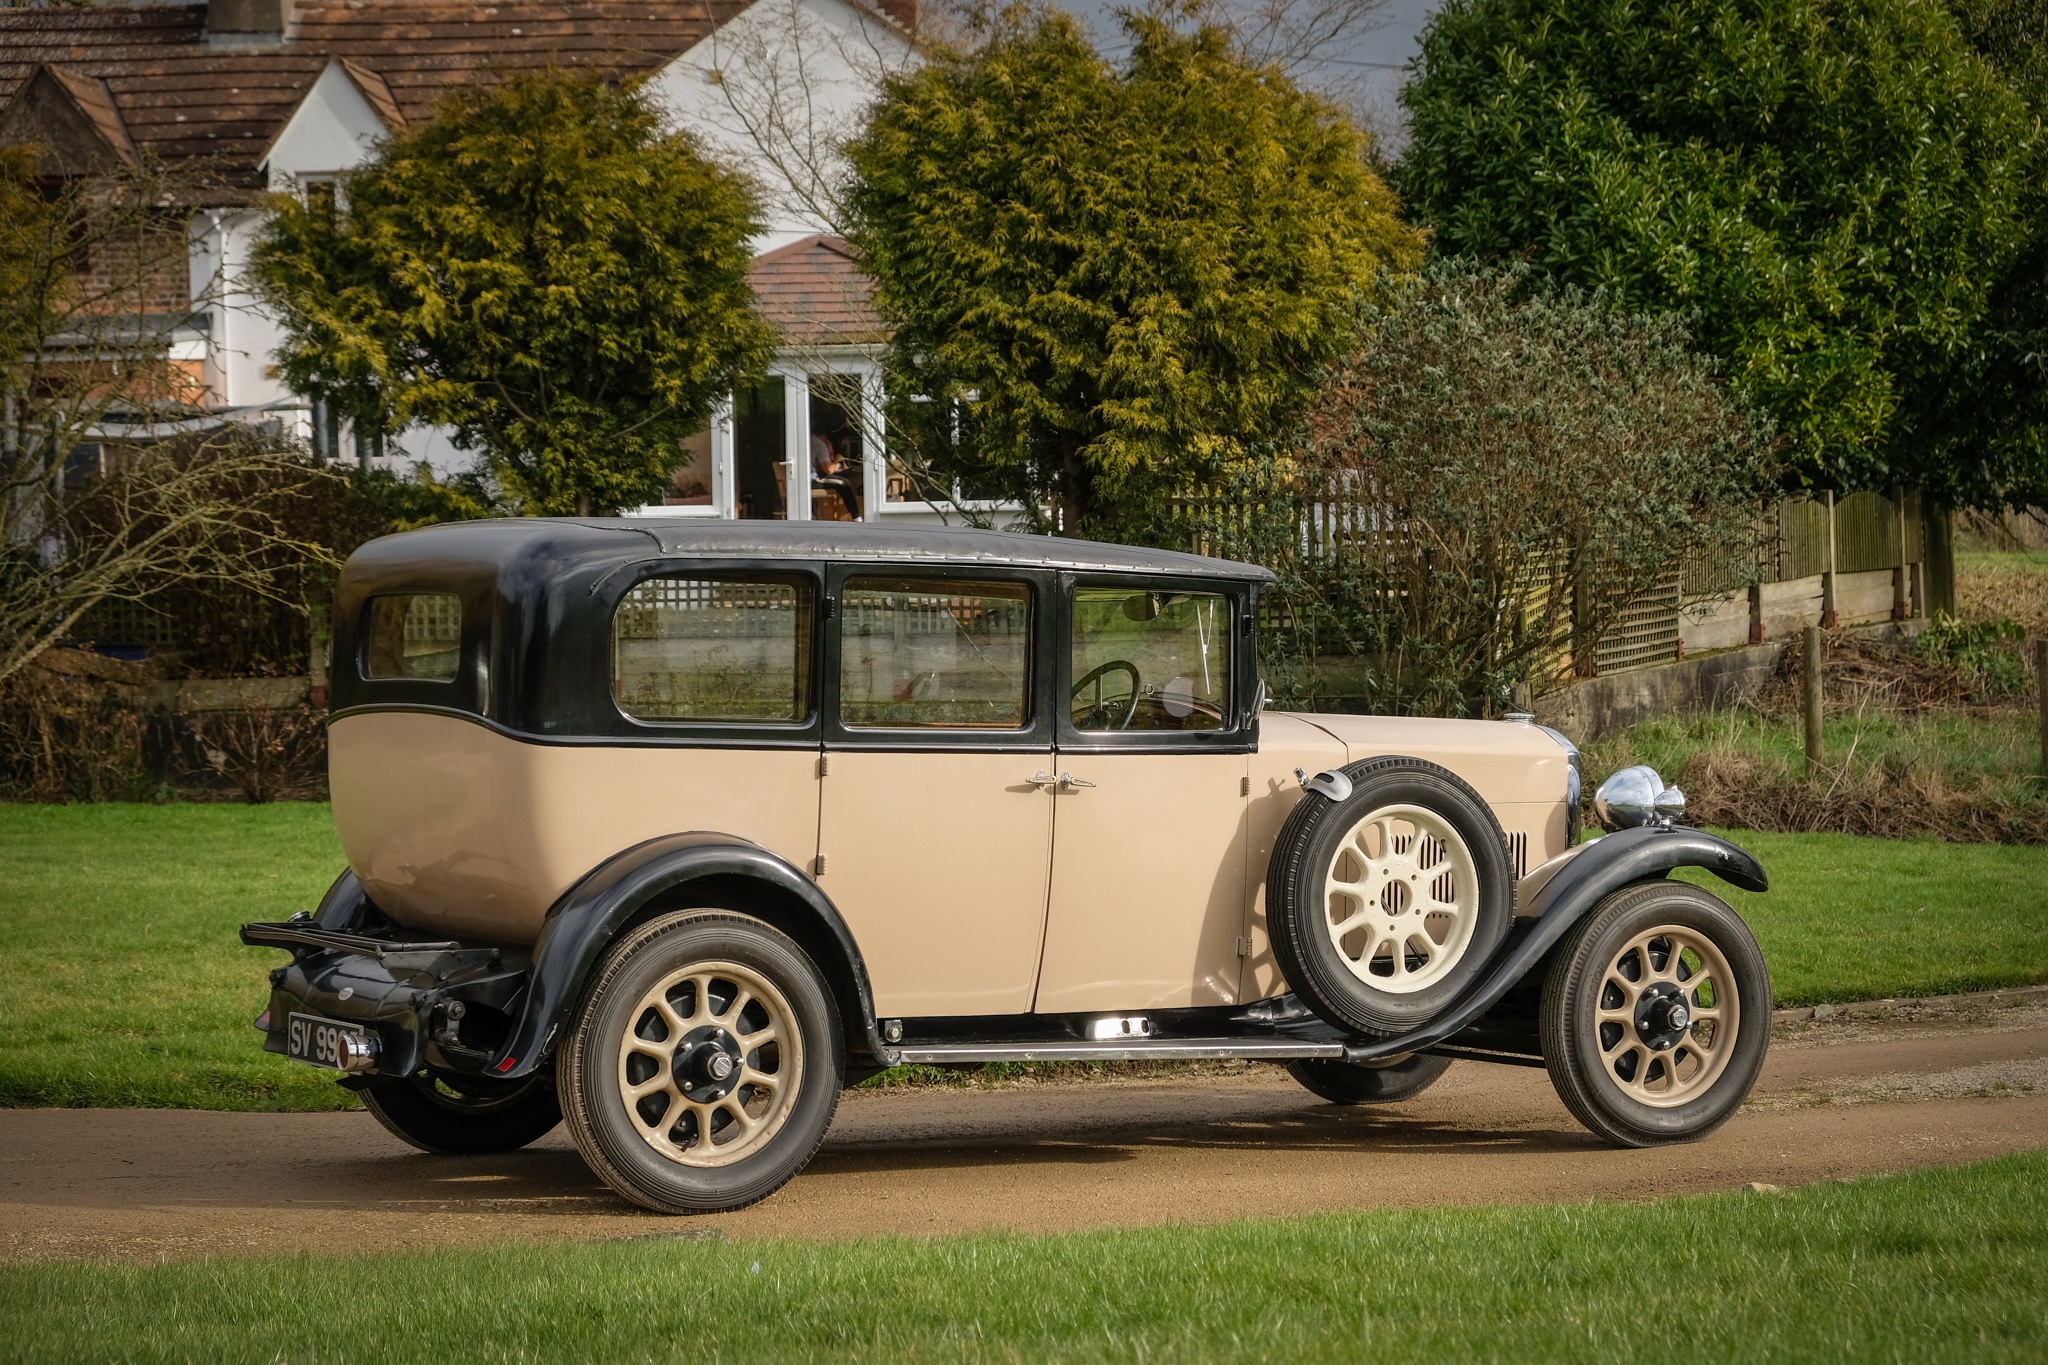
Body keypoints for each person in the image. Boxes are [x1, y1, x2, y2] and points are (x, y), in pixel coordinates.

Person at [810, 433, 861, 520]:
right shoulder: (818, 443)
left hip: (795, 480)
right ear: (824, 437)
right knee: (844, 483)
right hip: (810, 480)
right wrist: (837, 460)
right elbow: (829, 470)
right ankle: (857, 518)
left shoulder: (799, 440)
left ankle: (812, 514)